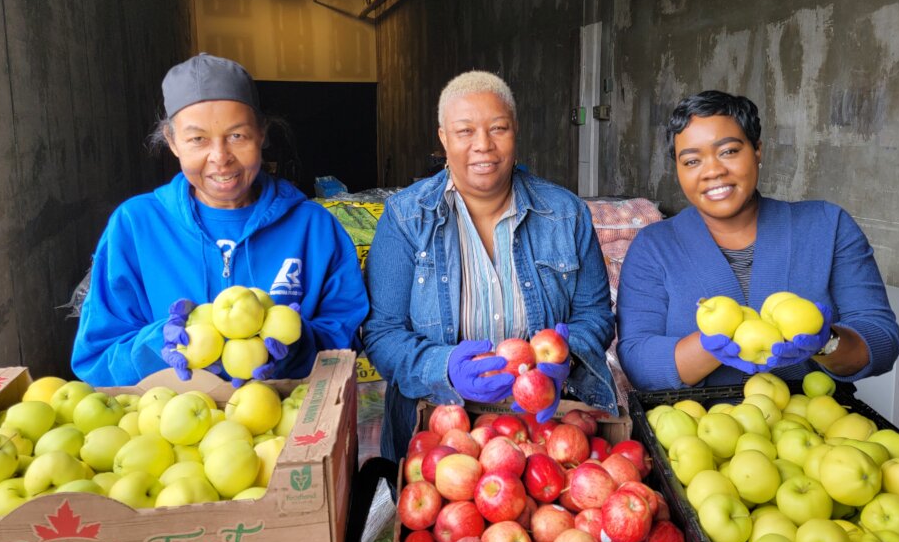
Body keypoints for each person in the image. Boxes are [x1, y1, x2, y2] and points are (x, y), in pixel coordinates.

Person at [363, 70, 619, 462]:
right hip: (442, 427)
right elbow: (382, 335)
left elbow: (596, 314)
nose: (483, 145)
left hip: (545, 427)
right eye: (465, 131)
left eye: (498, 128)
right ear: (443, 139)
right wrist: (445, 367)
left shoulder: (566, 214)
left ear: (515, 132)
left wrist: (569, 353)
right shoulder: (406, 218)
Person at [72, 53, 369, 386]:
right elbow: (96, 358)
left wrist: (299, 347)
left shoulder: (313, 228)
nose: (220, 158)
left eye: (237, 136)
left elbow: (346, 337)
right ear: (172, 142)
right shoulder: (135, 226)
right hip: (169, 427)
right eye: (198, 139)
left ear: (262, 134)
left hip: (288, 425)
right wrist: (157, 346)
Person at [616, 90, 899, 390]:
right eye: (691, 161)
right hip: (695, 425)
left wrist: (825, 341)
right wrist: (712, 346)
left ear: (757, 150)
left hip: (814, 423)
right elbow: (637, 360)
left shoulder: (827, 227)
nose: (713, 171)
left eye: (728, 151)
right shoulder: (654, 247)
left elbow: (881, 341)